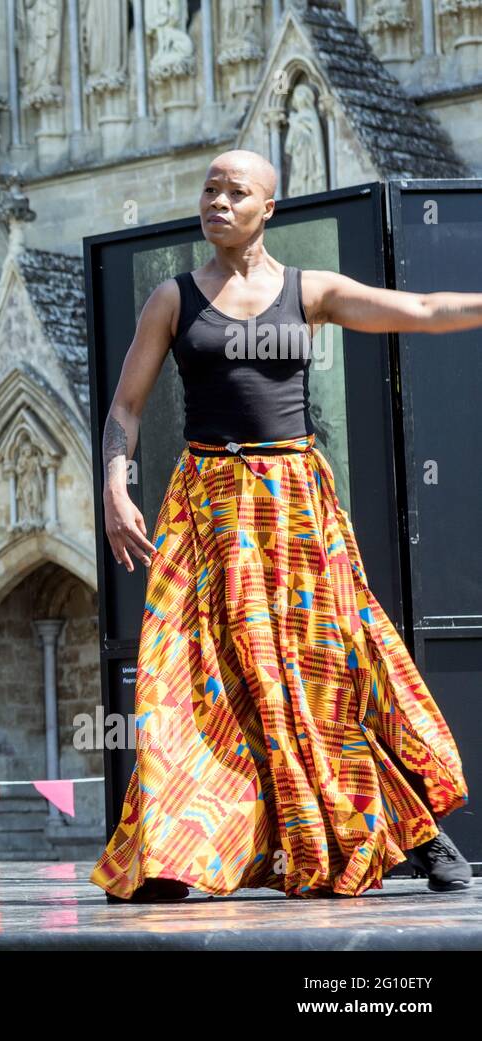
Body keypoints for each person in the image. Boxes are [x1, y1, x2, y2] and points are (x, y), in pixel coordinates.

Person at [91, 149, 475, 902]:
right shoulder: (172, 300)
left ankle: (417, 833)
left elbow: (425, 311)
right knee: (193, 676)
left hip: (295, 502)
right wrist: (114, 482)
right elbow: (125, 411)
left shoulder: (311, 291)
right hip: (208, 502)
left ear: (268, 209)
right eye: (210, 190)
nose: (219, 202)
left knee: (331, 669)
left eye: (237, 192)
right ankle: (175, 850)